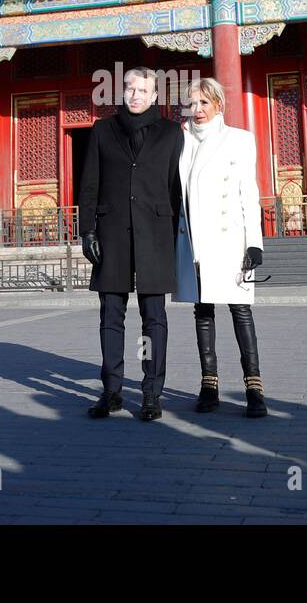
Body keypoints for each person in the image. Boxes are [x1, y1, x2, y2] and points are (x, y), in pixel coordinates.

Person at [78, 67, 184, 421]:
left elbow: (175, 188)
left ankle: (151, 392)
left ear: (155, 96)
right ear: (122, 92)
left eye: (143, 90)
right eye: (130, 89)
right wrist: (87, 231)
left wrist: (179, 237)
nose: (136, 95)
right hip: (112, 233)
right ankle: (111, 391)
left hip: (155, 234)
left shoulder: (171, 133)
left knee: (154, 319)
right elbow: (90, 184)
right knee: (111, 316)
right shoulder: (102, 130)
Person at [174, 77, 268, 417]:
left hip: (230, 238)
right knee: (203, 311)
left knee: (240, 309)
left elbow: (248, 192)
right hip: (195, 240)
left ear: (219, 105)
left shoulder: (239, 140)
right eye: (193, 104)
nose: (198, 110)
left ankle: (254, 386)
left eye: (204, 103)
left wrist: (254, 242)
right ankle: (208, 383)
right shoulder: (180, 141)